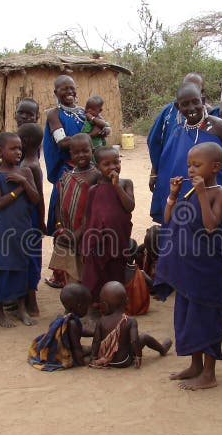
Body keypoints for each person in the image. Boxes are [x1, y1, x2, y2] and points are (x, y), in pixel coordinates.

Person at [152, 82, 222, 339]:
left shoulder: (220, 127)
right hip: (190, 203)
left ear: (203, 99)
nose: (192, 108)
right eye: (185, 104)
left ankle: (221, 313)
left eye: (196, 102)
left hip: (221, 201)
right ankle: (194, 306)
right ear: (178, 107)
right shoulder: (177, 129)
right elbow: (169, 162)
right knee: (191, 254)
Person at [154, 141, 222, 390]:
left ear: (215, 166)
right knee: (187, 316)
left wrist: (200, 195)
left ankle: (209, 374)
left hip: (205, 268)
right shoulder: (187, 192)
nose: (191, 171)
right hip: (186, 267)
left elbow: (210, 226)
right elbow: (168, 220)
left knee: (205, 316)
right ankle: (195, 365)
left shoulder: (219, 193)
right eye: (189, 165)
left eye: (197, 165)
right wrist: (173, 195)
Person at [0, 132, 40, 328]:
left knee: (21, 267)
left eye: (19, 148)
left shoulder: (25, 172)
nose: (18, 152)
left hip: (22, 228)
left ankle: (21, 308)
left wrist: (24, 182)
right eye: (13, 148)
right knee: (2, 269)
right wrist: (19, 190)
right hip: (2, 229)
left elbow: (36, 199)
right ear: (0, 151)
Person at [147, 72, 205, 220]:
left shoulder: (210, 115)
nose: (190, 106)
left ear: (202, 93)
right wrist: (154, 171)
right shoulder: (168, 112)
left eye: (196, 89)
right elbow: (154, 140)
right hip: (170, 171)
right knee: (170, 210)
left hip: (198, 176)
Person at [81, 146, 134, 302]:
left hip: (118, 240)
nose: (113, 167)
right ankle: (94, 307)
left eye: (116, 162)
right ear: (97, 167)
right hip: (96, 242)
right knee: (94, 275)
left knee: (116, 272)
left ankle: (114, 306)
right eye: (107, 164)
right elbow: (87, 217)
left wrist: (116, 186)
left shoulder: (125, 184)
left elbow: (129, 206)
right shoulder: (93, 190)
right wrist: (84, 241)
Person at [47, 133, 101, 286]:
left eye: (85, 151)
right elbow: (58, 202)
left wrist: (79, 232)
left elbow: (94, 210)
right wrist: (59, 227)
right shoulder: (67, 175)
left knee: (85, 268)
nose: (81, 155)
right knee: (70, 269)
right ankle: (72, 302)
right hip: (67, 231)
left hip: (86, 232)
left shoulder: (96, 176)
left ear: (92, 150)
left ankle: (84, 302)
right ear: (70, 154)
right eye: (76, 152)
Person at [89, 281, 172, 368]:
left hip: (105, 359)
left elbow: (96, 341)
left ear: (105, 305)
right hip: (123, 361)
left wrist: (94, 358)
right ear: (127, 301)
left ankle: (99, 358)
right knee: (144, 337)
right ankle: (162, 349)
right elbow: (134, 340)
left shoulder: (101, 321)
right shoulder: (130, 321)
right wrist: (138, 357)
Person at [43, 75, 85, 233]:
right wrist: (90, 135)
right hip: (67, 169)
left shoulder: (83, 112)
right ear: (56, 92)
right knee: (62, 204)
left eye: (72, 88)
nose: (69, 91)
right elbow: (62, 143)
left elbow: (103, 131)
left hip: (88, 167)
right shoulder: (53, 114)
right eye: (64, 88)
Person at [28, 283, 93, 371]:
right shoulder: (72, 323)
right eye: (87, 307)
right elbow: (76, 348)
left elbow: (80, 330)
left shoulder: (65, 317)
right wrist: (82, 362)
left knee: (91, 349)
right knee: (93, 357)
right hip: (61, 354)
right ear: (79, 306)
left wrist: (94, 333)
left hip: (64, 348)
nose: (87, 310)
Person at [18, 122, 45, 316]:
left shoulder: (30, 166)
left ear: (25, 142)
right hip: (26, 216)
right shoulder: (30, 162)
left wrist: (41, 221)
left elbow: (39, 197)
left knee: (31, 258)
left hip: (31, 216)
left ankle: (31, 299)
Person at [124, 239, 151, 316]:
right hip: (139, 308)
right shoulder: (140, 273)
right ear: (136, 255)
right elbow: (153, 286)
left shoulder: (117, 272)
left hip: (122, 308)